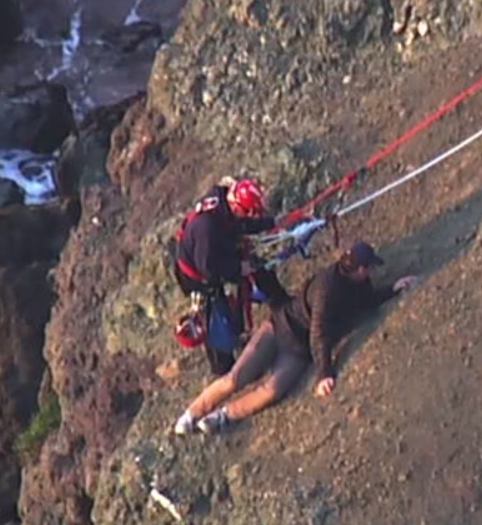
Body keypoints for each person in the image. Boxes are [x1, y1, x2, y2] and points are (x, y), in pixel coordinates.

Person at [173, 241, 418, 435]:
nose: (371, 272)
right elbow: (318, 331)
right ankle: (192, 413)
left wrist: (392, 290)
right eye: (369, 267)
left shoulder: (359, 284)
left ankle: (222, 416)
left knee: (272, 391)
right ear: (360, 268)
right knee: (235, 378)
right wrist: (324, 372)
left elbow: (366, 301)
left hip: (298, 350)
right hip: (279, 328)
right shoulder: (328, 287)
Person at [171, 177, 288, 374]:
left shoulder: (223, 206)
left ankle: (285, 309)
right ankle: (224, 367)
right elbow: (209, 269)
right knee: (217, 321)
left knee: (261, 273)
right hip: (200, 275)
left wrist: (271, 223)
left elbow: (241, 224)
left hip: (217, 252)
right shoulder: (206, 228)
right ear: (236, 206)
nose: (251, 216)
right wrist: (237, 269)